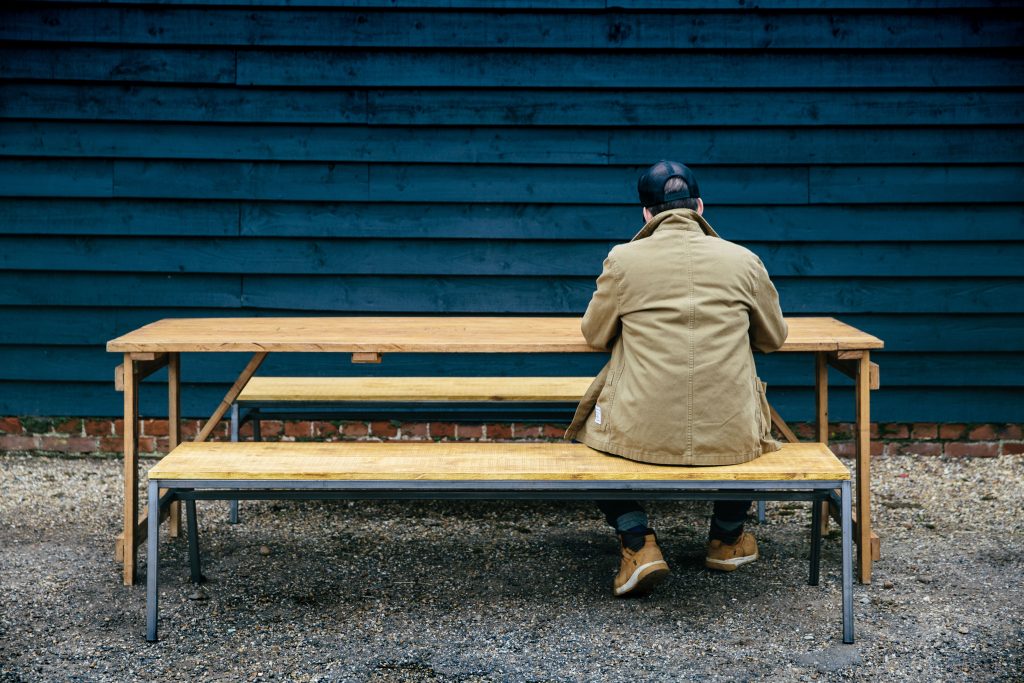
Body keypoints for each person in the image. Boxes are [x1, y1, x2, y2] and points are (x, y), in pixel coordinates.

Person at [564, 160, 788, 598]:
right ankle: (726, 538)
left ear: (646, 215)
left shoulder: (624, 260)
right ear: (700, 206)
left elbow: (594, 334)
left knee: (585, 442)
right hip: (728, 434)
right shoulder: (744, 261)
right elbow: (773, 338)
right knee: (755, 420)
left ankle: (637, 542)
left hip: (638, 433)